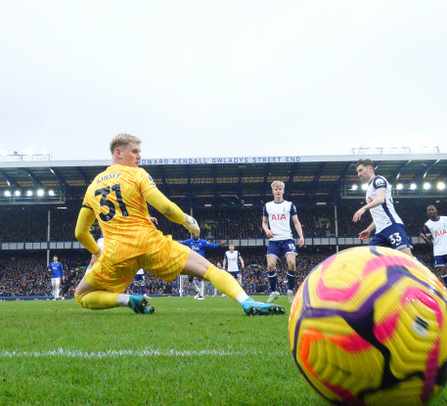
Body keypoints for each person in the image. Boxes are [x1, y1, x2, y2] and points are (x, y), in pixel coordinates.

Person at [74, 133, 283, 315]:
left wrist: (97, 252)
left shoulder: (92, 187)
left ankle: (127, 300)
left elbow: (80, 232)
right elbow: (164, 207)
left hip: (115, 254)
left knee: (81, 295)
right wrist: (189, 222)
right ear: (118, 152)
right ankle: (246, 302)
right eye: (135, 151)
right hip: (149, 245)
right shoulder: (137, 174)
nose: (139, 156)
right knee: (209, 271)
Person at [352, 159, 413, 256]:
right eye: (357, 172)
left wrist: (363, 208)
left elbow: (381, 199)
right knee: (370, 259)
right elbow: (379, 214)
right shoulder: (369, 188)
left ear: (370, 169)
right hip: (380, 232)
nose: (358, 174)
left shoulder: (378, 180)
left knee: (407, 259)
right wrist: (369, 229)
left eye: (361, 170)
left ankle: (425, 271)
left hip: (391, 226)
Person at [262, 180, 305, 303]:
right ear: (273, 191)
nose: (278, 191)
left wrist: (301, 235)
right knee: (270, 265)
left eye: (280, 189)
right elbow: (264, 223)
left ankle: (290, 292)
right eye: (276, 189)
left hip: (287, 238)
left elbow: (296, 222)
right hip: (274, 240)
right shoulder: (268, 206)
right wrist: (267, 230)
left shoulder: (290, 205)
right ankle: (274, 292)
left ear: (283, 191)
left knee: (291, 262)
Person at [178, 235, 227, 300]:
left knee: (200, 278)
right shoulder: (189, 242)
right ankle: (197, 290)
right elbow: (181, 243)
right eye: (194, 233)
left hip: (200, 263)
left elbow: (211, 246)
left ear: (198, 234)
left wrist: (219, 245)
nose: (195, 235)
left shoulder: (203, 242)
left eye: (196, 233)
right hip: (192, 262)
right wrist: (171, 241)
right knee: (190, 278)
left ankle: (202, 296)